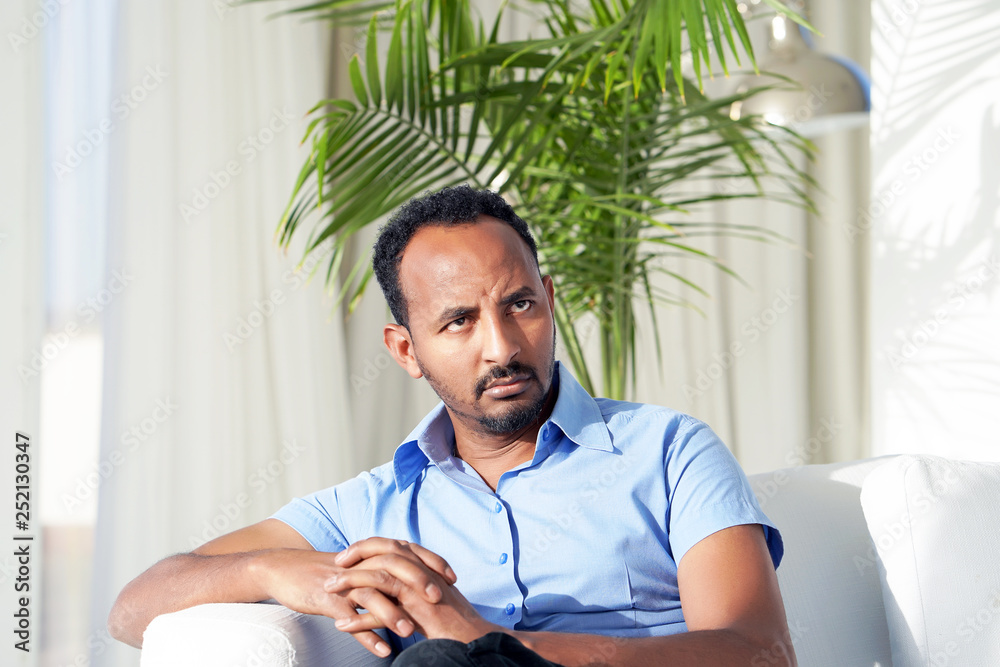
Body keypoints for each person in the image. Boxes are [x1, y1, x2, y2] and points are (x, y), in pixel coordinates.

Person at [109, 185, 796, 666]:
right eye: (458, 321)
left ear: (549, 301)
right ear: (406, 348)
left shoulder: (669, 450)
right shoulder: (369, 508)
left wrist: (487, 640)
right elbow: (134, 607)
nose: (501, 346)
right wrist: (281, 571)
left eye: (520, 303)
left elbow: (760, 654)